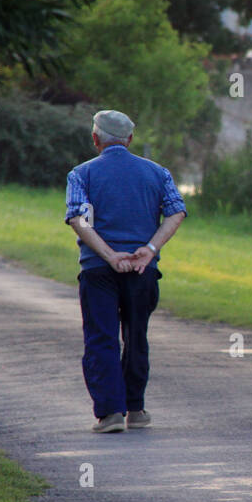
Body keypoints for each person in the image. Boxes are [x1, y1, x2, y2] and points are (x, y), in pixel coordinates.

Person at [65, 109, 187, 433]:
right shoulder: (158, 172)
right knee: (136, 336)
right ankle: (135, 408)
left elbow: (79, 219)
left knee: (101, 338)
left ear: (95, 139)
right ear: (130, 139)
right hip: (142, 268)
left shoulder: (81, 174)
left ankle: (110, 414)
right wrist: (150, 248)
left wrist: (107, 254)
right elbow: (177, 212)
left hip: (98, 270)